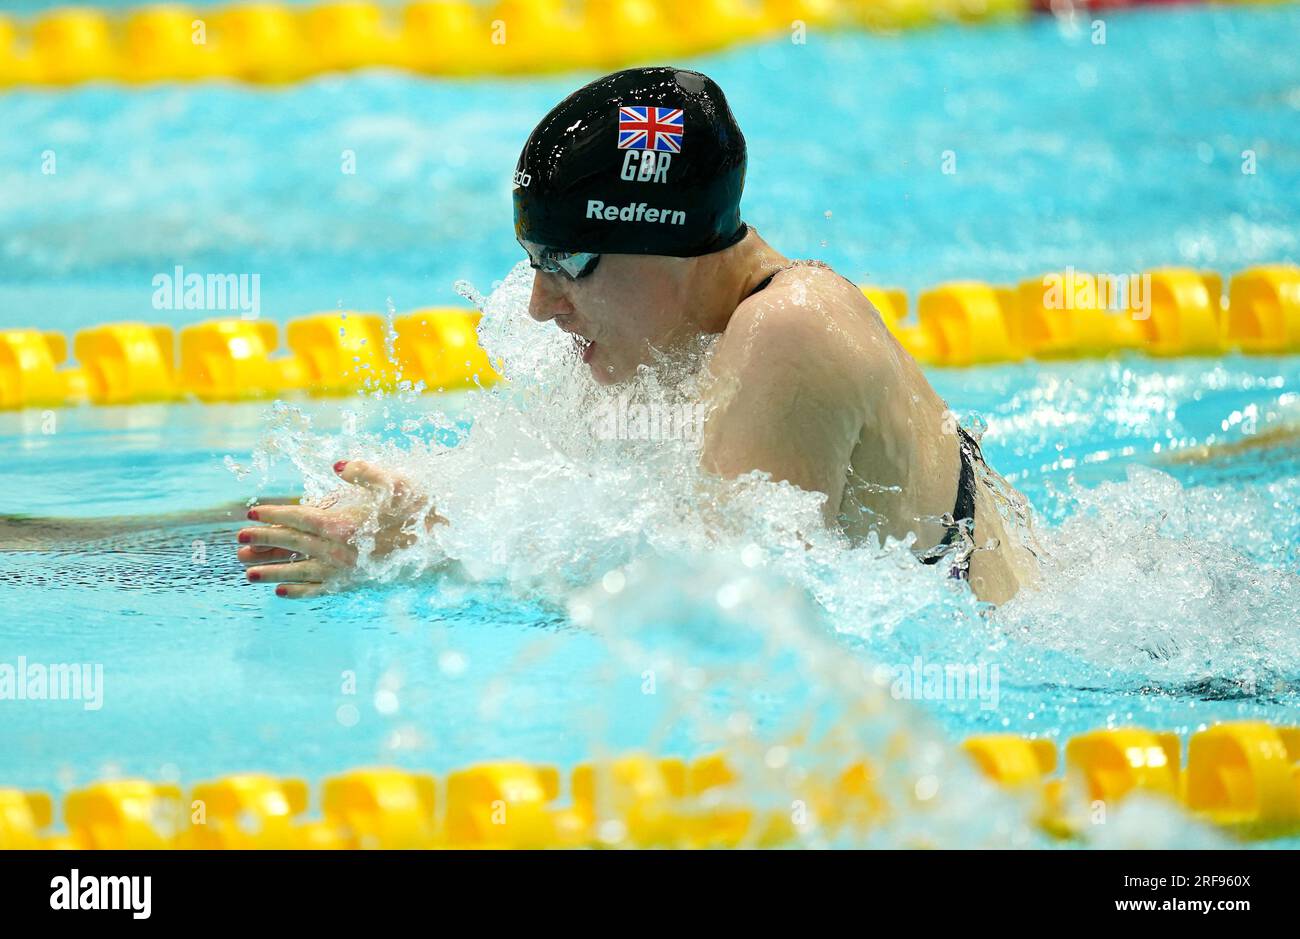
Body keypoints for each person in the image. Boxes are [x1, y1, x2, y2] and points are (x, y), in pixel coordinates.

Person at [238, 66, 1039, 604]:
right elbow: (575, 499)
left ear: (665, 244)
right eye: (533, 262)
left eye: (568, 261)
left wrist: (433, 548)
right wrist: (402, 504)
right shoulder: (686, 345)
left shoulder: (790, 329)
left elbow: (726, 607)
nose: (541, 307)